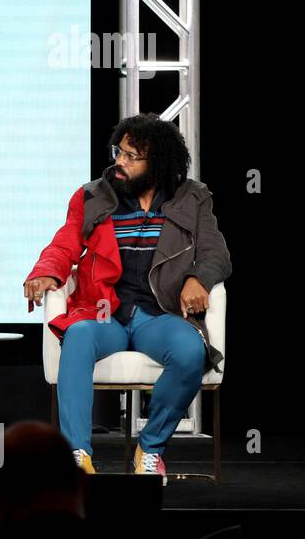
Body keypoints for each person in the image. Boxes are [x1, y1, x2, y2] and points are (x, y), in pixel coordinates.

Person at [24, 114, 231, 481]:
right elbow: (65, 243)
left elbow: (216, 253)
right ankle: (77, 454)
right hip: (107, 310)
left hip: (161, 313)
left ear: (159, 163)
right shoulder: (93, 196)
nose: (119, 161)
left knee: (189, 352)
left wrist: (198, 278)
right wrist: (45, 271)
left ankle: (150, 449)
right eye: (119, 151)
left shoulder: (192, 198)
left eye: (131, 156)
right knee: (79, 335)